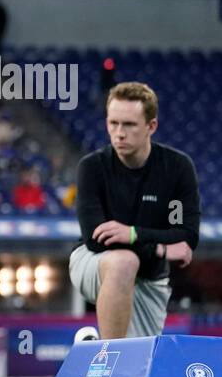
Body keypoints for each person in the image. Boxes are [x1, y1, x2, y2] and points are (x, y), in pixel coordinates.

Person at [68, 82, 199, 339]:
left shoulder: (177, 168)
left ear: (151, 126)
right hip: (93, 262)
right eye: (113, 123)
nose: (119, 133)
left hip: (150, 278)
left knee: (141, 368)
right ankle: (109, 355)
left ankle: (94, 346)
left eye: (129, 125)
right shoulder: (92, 167)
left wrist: (132, 234)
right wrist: (159, 248)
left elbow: (186, 236)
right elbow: (96, 240)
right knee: (124, 262)